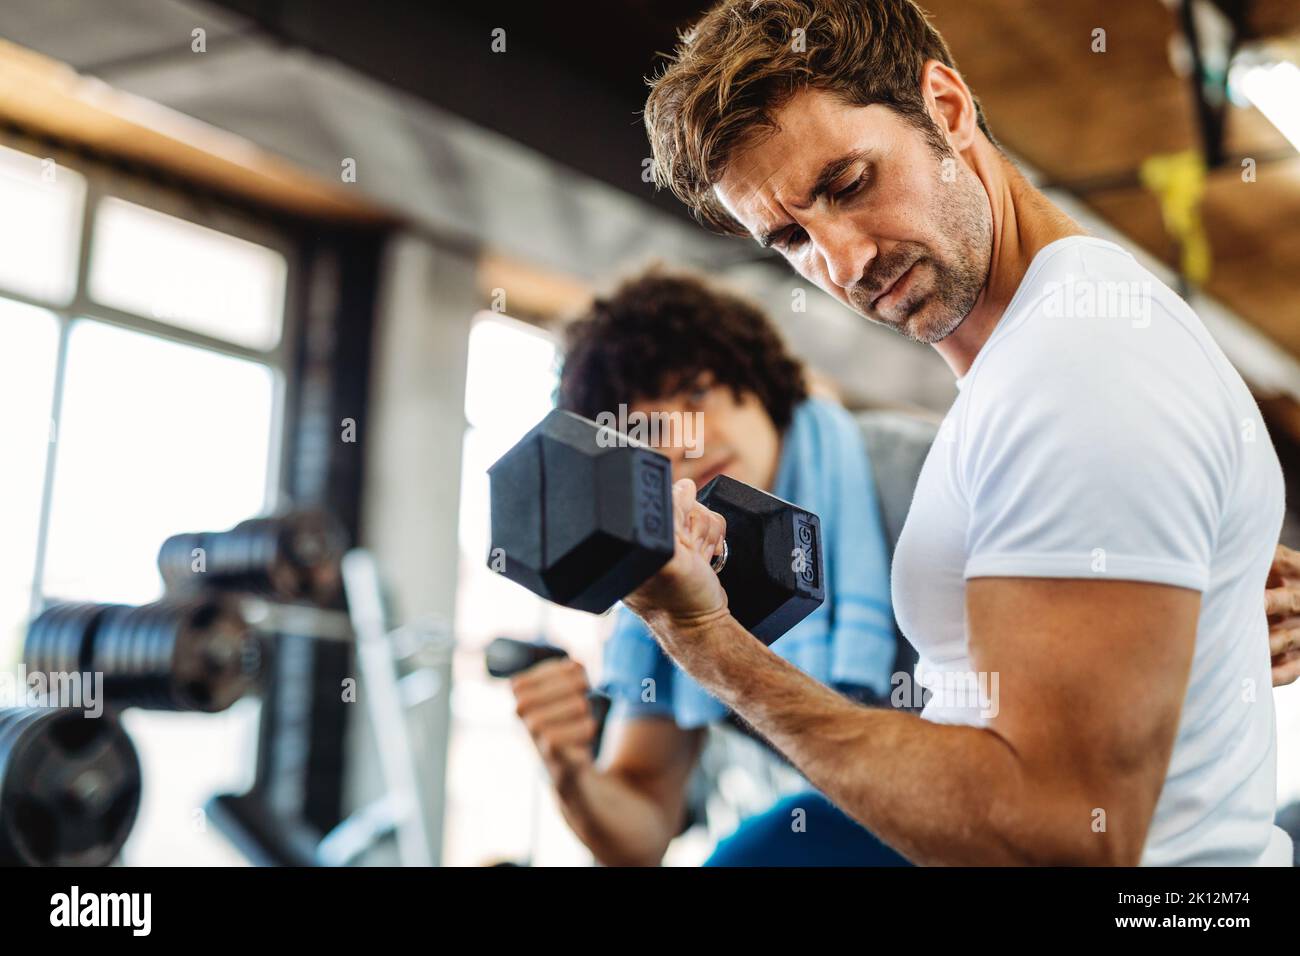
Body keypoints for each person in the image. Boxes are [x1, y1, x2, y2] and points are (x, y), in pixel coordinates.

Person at [618, 0, 1299, 865]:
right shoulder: (1029, 363)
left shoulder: (1077, 363)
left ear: (945, 106)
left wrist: (708, 644)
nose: (843, 263)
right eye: (791, 237)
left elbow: (1058, 832)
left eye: (849, 183)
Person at [509, 266, 934, 865]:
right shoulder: (661, 566)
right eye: (648, 429)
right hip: (872, 817)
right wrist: (569, 770)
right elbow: (642, 828)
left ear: (756, 382)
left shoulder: (919, 478)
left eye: (697, 394)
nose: (683, 439)